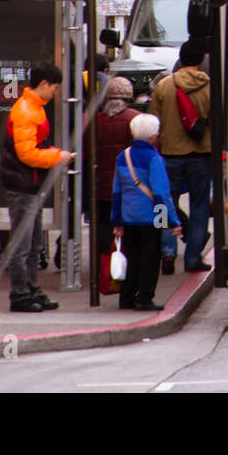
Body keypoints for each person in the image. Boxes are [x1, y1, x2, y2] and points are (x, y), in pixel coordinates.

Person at [0, 63, 75, 312]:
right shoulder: (26, 111)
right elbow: (28, 154)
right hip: (23, 186)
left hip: (29, 185)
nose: (55, 92)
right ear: (44, 84)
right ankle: (20, 294)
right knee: (24, 246)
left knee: (33, 246)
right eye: (54, 87)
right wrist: (58, 156)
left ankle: (29, 290)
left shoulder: (33, 108)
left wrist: (55, 154)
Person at [148, 42, 212, 273]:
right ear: (200, 61)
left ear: (181, 59)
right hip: (201, 155)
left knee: (164, 204)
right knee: (199, 207)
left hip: (169, 156)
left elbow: (153, 122)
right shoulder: (210, 87)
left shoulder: (164, 86)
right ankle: (193, 258)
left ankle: (167, 252)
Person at [111, 113, 181, 310]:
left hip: (128, 217)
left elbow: (117, 191)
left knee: (131, 257)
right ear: (153, 136)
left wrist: (117, 220)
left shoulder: (122, 156)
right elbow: (160, 193)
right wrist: (170, 221)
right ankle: (144, 298)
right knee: (150, 260)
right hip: (151, 218)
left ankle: (126, 298)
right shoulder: (154, 158)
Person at [86, 76, 139, 295]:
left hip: (100, 187)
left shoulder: (94, 121)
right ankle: (125, 274)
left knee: (102, 230)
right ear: (129, 98)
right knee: (129, 233)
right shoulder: (136, 120)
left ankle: (104, 273)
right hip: (129, 189)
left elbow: (87, 154)